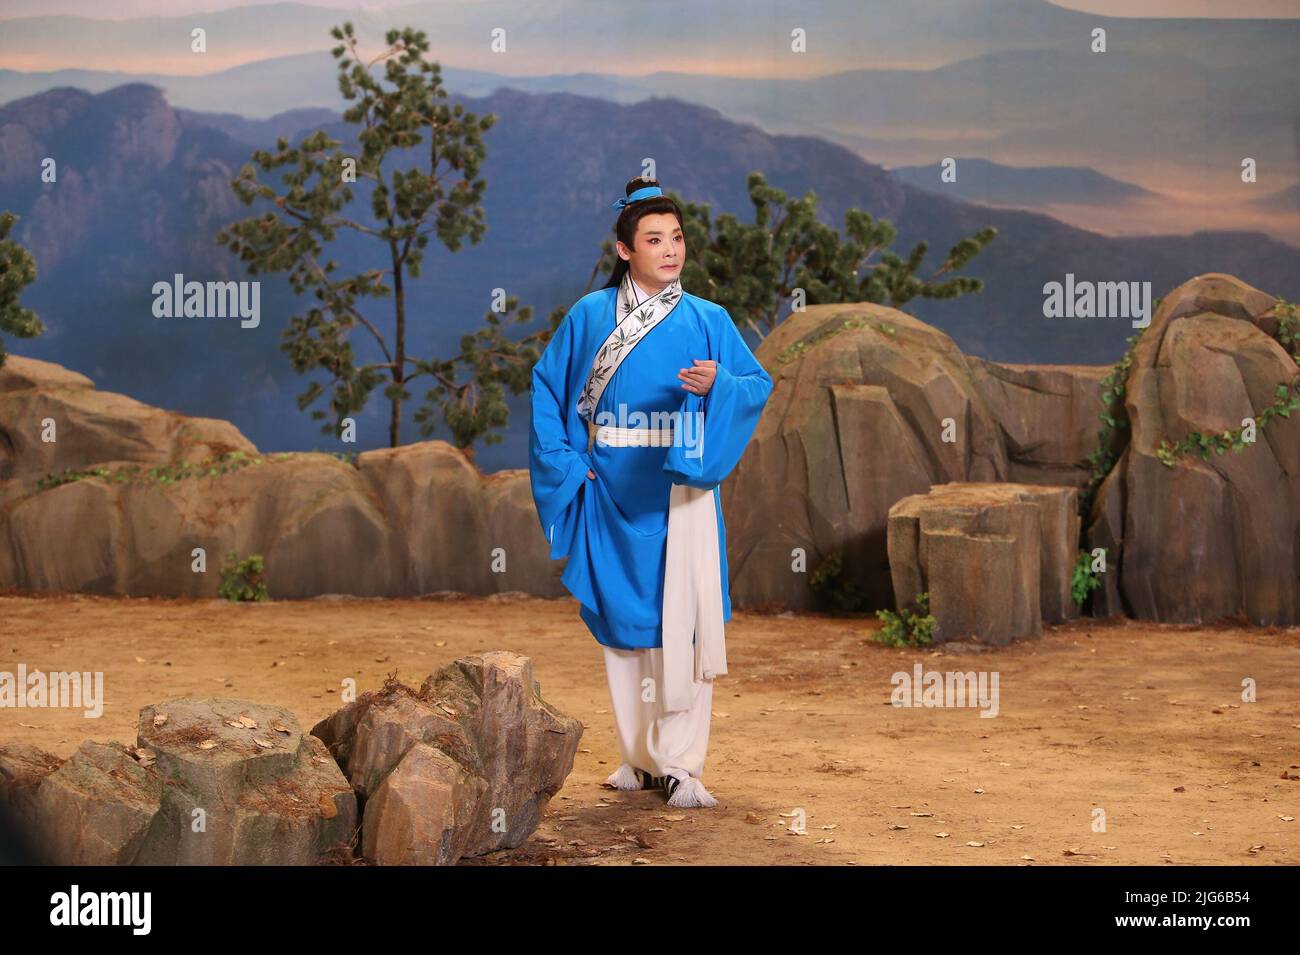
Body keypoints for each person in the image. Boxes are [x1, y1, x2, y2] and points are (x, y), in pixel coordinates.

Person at [529, 176, 772, 808]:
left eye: (678, 238)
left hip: (680, 492)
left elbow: (756, 384)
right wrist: (563, 458)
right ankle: (639, 757)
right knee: (625, 624)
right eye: (655, 239)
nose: (671, 250)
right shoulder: (588, 316)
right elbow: (549, 387)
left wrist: (722, 381)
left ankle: (682, 763)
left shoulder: (709, 319)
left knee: (683, 625)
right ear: (624, 249)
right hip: (611, 487)